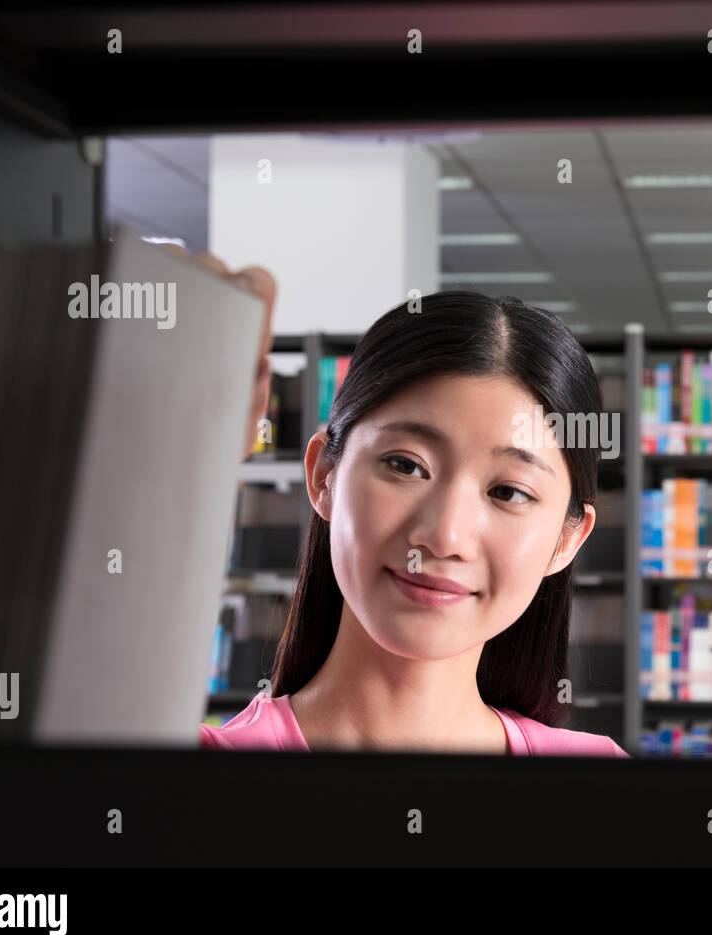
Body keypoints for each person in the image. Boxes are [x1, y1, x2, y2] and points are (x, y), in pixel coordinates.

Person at [180, 249, 627, 757]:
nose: (445, 536)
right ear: (323, 474)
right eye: (405, 465)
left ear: (567, 540)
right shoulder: (185, 775)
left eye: (508, 492)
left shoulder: (603, 781)